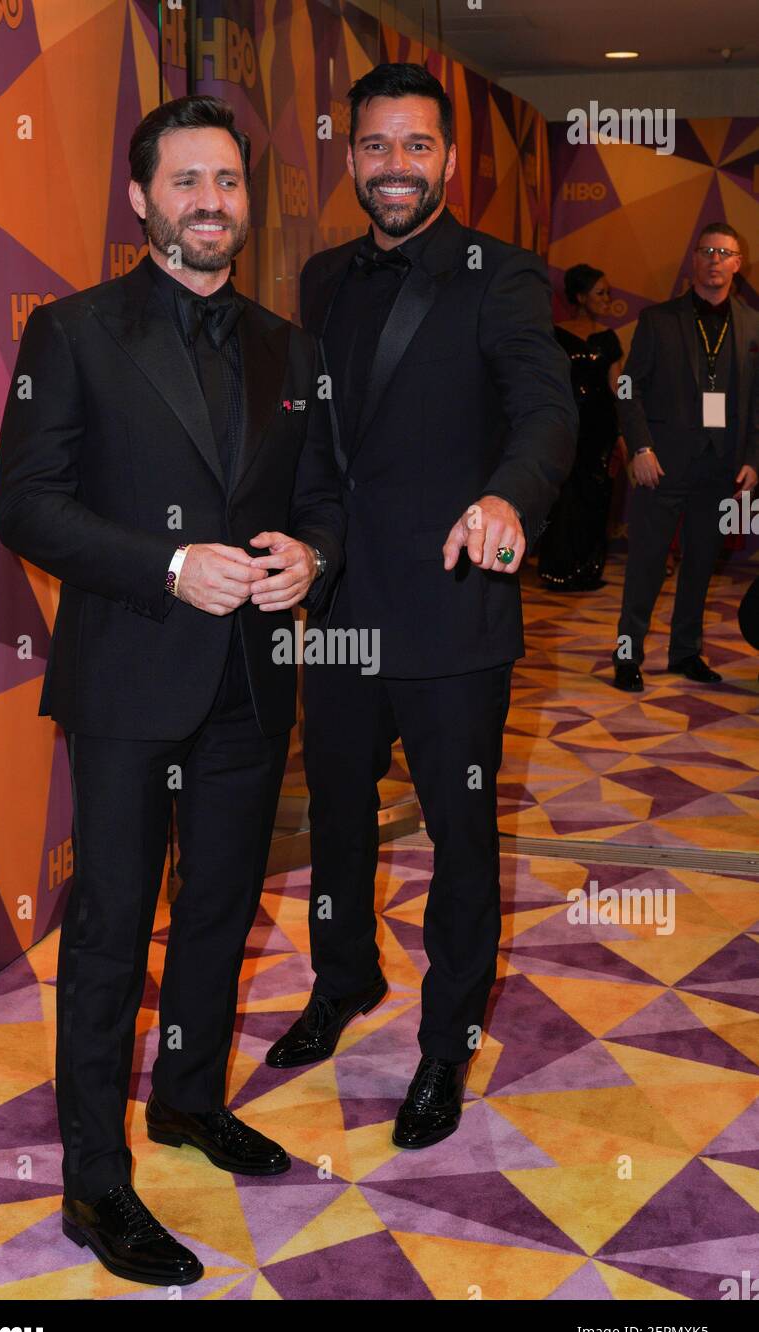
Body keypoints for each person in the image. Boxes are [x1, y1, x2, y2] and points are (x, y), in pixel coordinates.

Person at [0, 95, 344, 1287]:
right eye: (186, 181)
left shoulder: (289, 349)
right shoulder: (73, 332)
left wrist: (314, 557)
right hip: (129, 683)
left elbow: (321, 500)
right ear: (141, 199)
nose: (211, 202)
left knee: (219, 909)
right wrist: (167, 565)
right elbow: (26, 504)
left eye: (229, 182)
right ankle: (94, 1180)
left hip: (251, 682)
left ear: (249, 200)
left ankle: (187, 1099)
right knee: (108, 933)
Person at [264, 63, 577, 1150]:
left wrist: (507, 493)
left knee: (463, 838)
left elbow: (546, 412)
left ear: (448, 157)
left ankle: (447, 1043)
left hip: (452, 610)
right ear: (350, 156)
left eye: (417, 146)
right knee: (338, 822)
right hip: (345, 607)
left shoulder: (503, 275)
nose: (396, 166)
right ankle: (342, 980)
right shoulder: (321, 279)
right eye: (376, 147)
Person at [613, 221, 759, 692]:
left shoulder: (754, 325)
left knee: (700, 565)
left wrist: (754, 458)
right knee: (646, 566)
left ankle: (685, 652)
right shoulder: (659, 319)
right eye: (706, 251)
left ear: (739, 264)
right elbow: (628, 389)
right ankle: (626, 655)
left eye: (725, 252)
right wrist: (639, 447)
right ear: (694, 260)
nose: (715, 259)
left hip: (722, 467)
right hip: (661, 464)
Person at [537, 264, 625, 590]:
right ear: (579, 296)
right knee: (563, 496)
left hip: (600, 427)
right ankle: (557, 567)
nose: (606, 299)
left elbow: (618, 386)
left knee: (597, 494)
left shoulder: (608, 338)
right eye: (600, 293)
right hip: (566, 424)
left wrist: (634, 407)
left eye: (608, 293)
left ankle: (589, 569)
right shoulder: (555, 333)